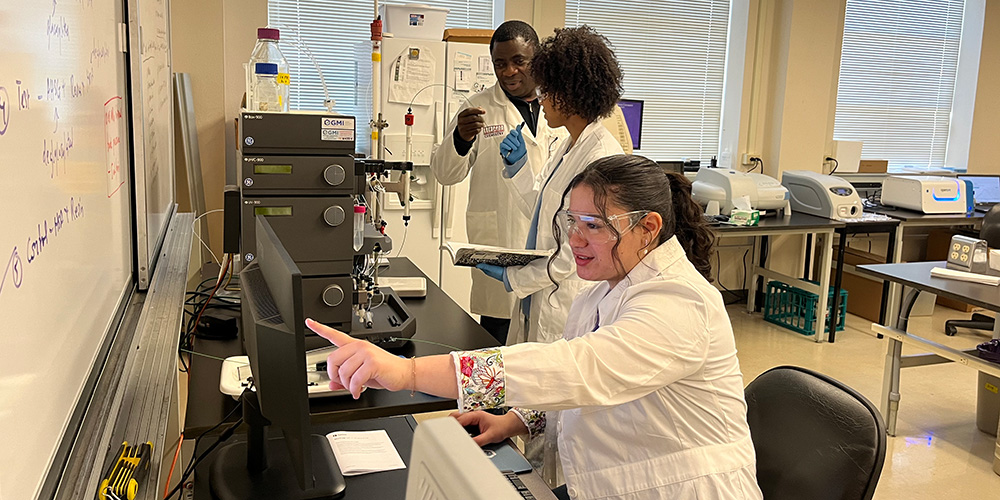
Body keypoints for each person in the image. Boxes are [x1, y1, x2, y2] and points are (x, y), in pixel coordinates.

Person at [307, 155, 763, 500]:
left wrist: (407, 374)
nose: (576, 241)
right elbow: (575, 388)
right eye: (570, 222)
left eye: (594, 226)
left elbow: (576, 370)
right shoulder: (603, 287)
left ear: (648, 229)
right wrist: (517, 419)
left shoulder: (680, 303)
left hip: (683, 489)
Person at [477, 26, 625, 347]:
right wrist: (519, 169)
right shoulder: (571, 145)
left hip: (567, 300)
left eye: (547, 90)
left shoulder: (599, 157)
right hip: (544, 295)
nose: (539, 98)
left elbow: (579, 250)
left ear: (570, 93)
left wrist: (515, 277)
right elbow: (548, 212)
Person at [430, 20, 563, 344]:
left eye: (519, 61)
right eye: (500, 64)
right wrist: (460, 139)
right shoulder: (479, 108)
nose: (508, 72)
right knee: (496, 344)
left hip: (552, 245)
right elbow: (446, 174)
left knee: (546, 337)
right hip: (500, 240)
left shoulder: (560, 106)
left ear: (537, 60)